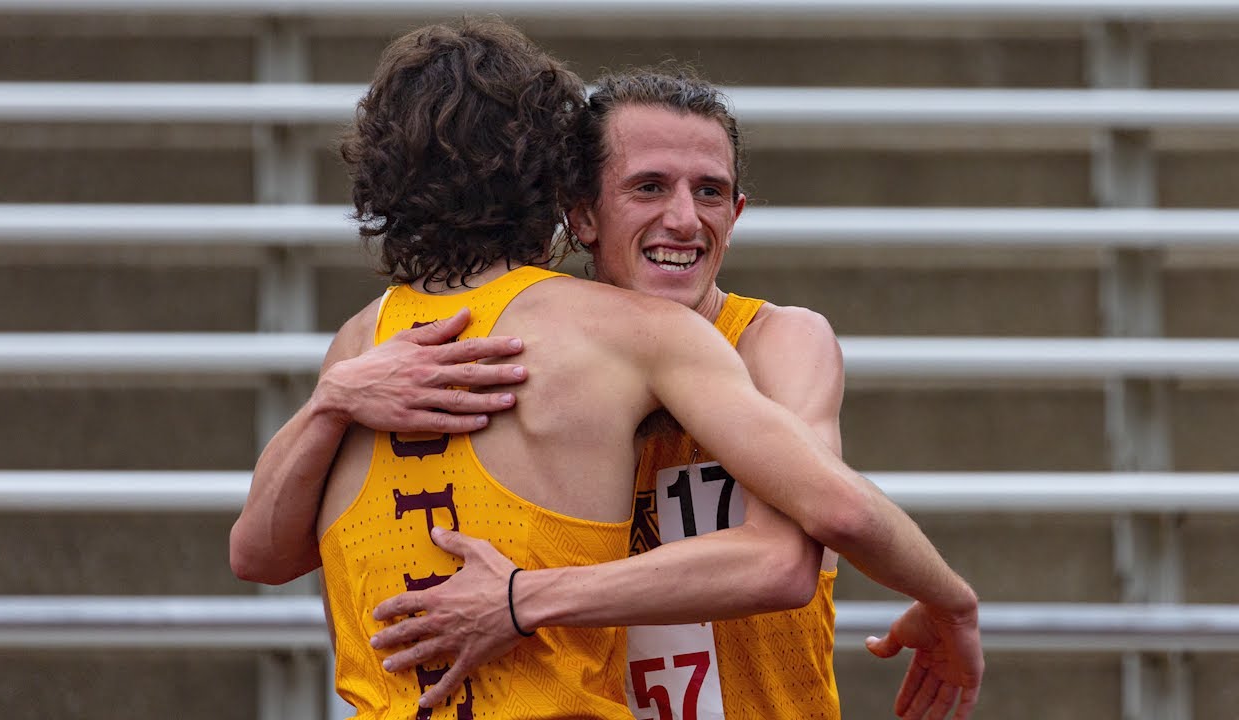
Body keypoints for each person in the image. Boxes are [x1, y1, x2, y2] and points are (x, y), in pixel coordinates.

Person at [230, 21, 982, 720]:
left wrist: (522, 598)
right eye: (649, 187)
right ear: (579, 213)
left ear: (737, 212)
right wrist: (331, 401)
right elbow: (260, 555)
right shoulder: (513, 349)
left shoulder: (773, 340)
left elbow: (794, 554)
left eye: (710, 192)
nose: (684, 218)